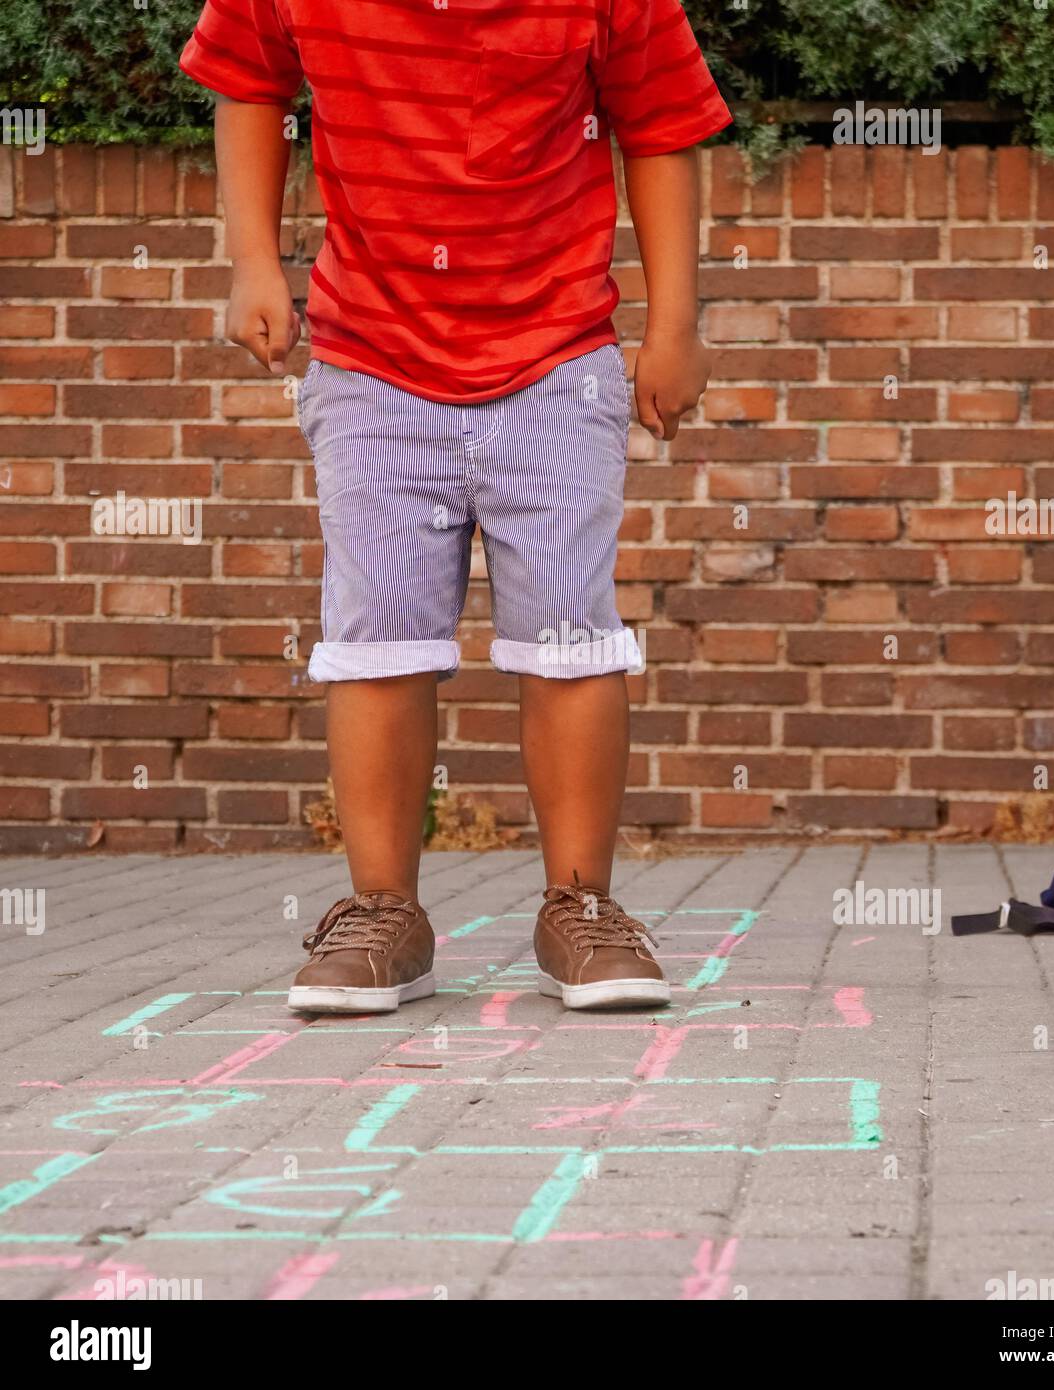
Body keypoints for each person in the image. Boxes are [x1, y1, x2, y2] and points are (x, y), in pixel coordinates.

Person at [179, 0, 731, 1013]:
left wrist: (675, 323)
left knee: (570, 632)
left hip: (557, 357)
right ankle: (382, 911)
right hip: (370, 361)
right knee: (378, 632)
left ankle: (581, 908)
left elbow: (660, 128)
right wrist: (252, 260)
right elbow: (249, 82)